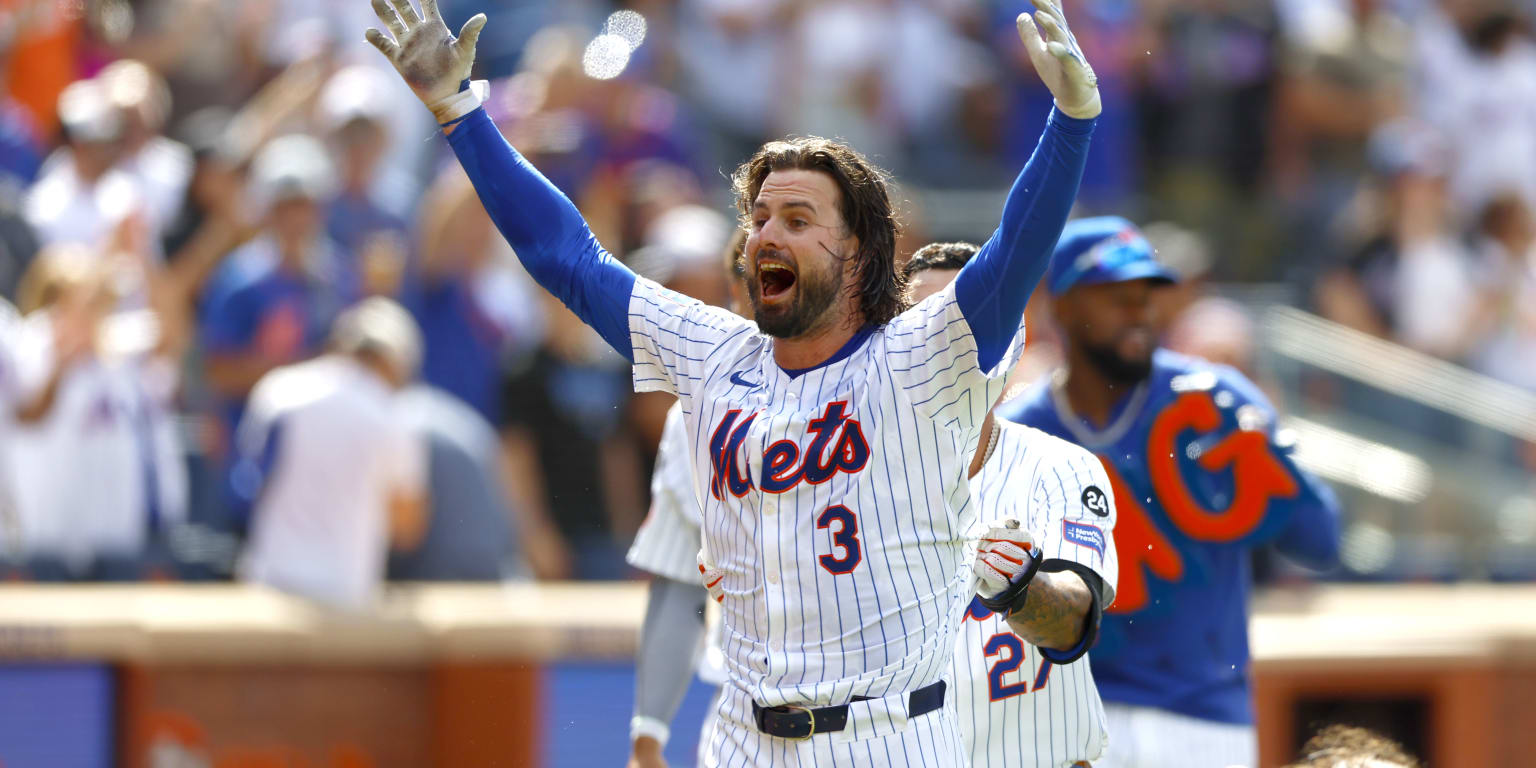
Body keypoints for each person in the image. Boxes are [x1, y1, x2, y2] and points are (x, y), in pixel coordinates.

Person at [365, 0, 1098, 763]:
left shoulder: (921, 355)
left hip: (889, 738)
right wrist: (460, 113)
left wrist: (1069, 123)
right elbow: (568, 259)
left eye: (798, 217)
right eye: (758, 216)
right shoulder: (715, 352)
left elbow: (1015, 252)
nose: (767, 234)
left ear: (860, 251)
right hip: (743, 738)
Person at [635, 239, 1120, 768]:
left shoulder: (1057, 467)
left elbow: (1074, 625)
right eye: (929, 325)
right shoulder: (826, 460)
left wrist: (1025, 589)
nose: (957, 348)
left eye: (979, 325)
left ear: (1015, 342)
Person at [999, 217, 1343, 768]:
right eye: (1115, 297)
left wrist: (1263, 466)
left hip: (1202, 716)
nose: (1139, 313)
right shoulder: (1020, 429)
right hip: (1068, 715)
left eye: (1148, 294)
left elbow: (1320, 540)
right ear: (1060, 305)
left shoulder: (1214, 402)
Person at [235, 297, 428, 609]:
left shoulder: (278, 390)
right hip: (345, 593)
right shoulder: (391, 415)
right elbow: (407, 527)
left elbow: (244, 489)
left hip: (269, 585)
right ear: (392, 362)